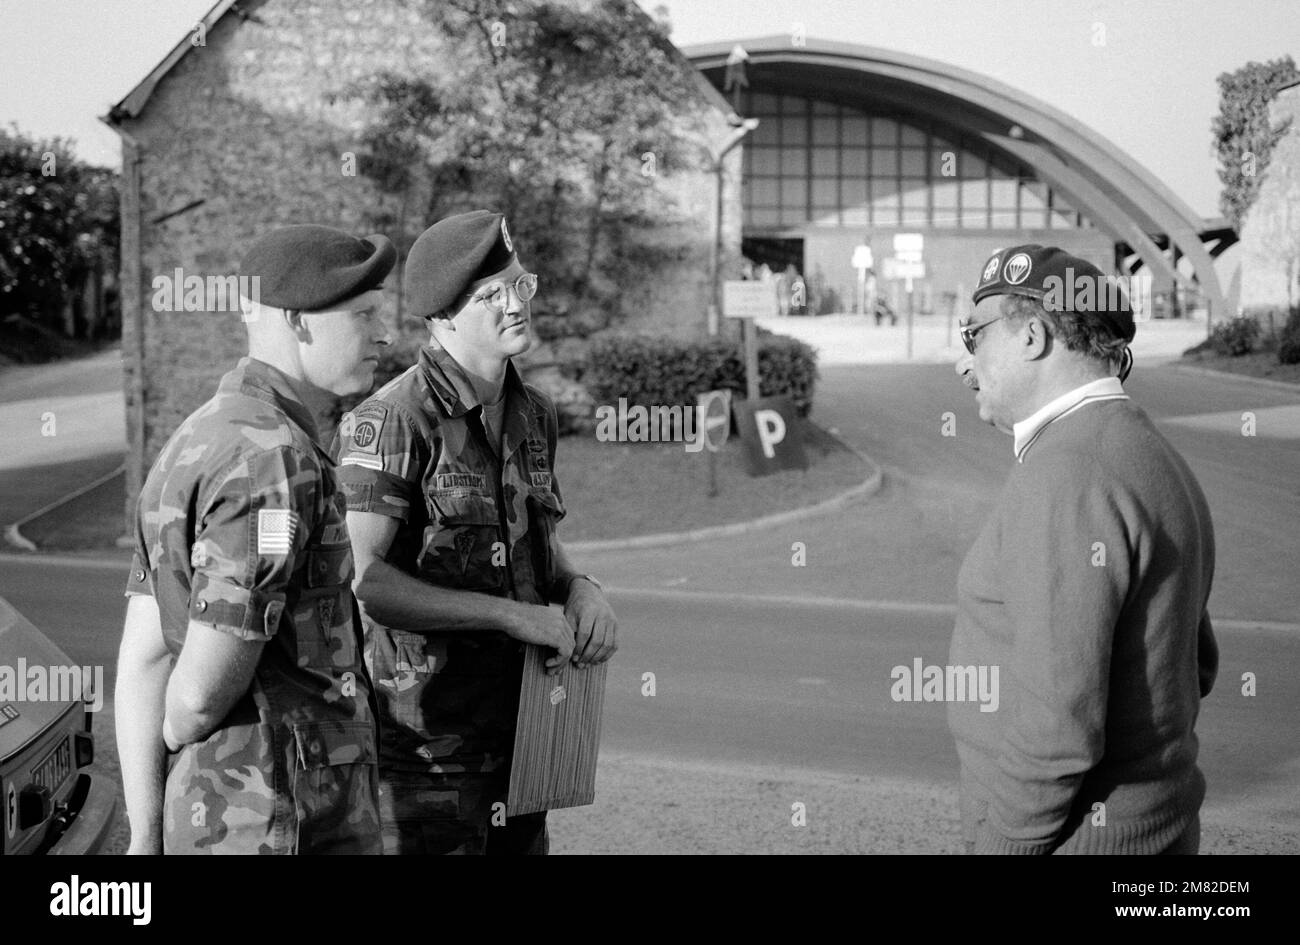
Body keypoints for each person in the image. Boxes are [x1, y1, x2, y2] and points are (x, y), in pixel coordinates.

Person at [334, 210, 618, 855]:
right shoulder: (393, 421)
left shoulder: (533, 412)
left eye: (522, 284)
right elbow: (367, 581)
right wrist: (509, 618)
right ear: (442, 318)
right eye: (492, 294)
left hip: (525, 735)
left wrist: (581, 587)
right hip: (427, 750)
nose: (516, 304)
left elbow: (534, 543)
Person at [115, 224, 396, 854]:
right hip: (278, 822)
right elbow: (195, 695)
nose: (385, 334)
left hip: (231, 821)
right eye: (365, 315)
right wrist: (185, 722)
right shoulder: (270, 459)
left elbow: (143, 658)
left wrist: (146, 836)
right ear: (298, 321)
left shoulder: (197, 437)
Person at [948, 244, 1218, 854]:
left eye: (973, 336)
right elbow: (1194, 664)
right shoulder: (1149, 453)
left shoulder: (1067, 476)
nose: (964, 366)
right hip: (1155, 832)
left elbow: (1056, 728)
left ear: (1033, 336)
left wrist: (1006, 843)